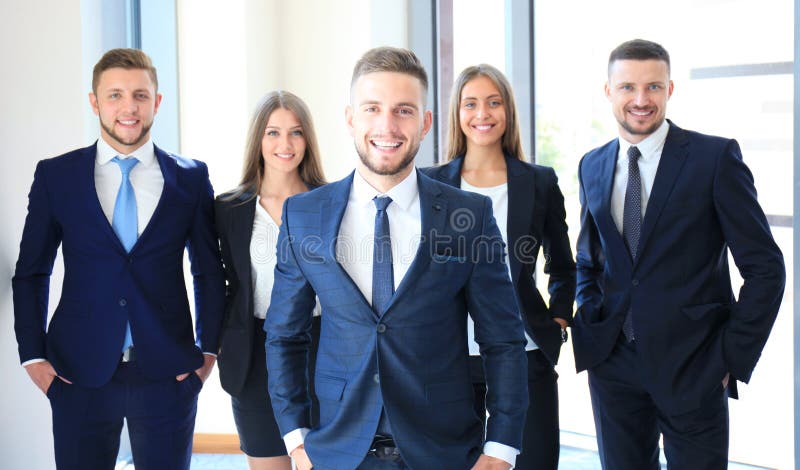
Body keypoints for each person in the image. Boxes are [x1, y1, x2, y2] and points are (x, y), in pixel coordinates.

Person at [264, 46, 529, 470]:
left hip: (443, 452)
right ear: (351, 118)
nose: (387, 126)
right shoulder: (304, 215)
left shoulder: (470, 217)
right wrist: (296, 438)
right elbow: (284, 335)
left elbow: (503, 339)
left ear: (424, 123)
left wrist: (500, 448)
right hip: (337, 452)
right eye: (372, 108)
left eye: (404, 111)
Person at [573, 38, 785, 469]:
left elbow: (766, 268)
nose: (641, 99)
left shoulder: (714, 158)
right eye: (628, 87)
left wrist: (730, 358)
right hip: (613, 366)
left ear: (670, 90)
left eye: (653, 87)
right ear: (608, 91)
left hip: (695, 367)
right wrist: (591, 317)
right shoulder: (591, 164)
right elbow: (589, 259)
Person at [12, 48, 225, 470]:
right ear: (94, 101)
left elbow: (208, 272)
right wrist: (34, 358)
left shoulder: (190, 177)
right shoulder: (57, 176)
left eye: (140, 96)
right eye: (114, 95)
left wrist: (206, 356)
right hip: (77, 375)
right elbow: (32, 271)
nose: (128, 108)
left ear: (157, 102)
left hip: (168, 376)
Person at [423, 63, 575, 469]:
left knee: (536, 460)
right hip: (451, 355)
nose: (482, 114)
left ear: (507, 111)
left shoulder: (539, 182)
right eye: (470, 104)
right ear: (457, 113)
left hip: (525, 352)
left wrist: (558, 321)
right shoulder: (430, 184)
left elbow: (562, 266)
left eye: (493, 103)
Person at [215, 90, 326, 470]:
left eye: (295, 132)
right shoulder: (229, 209)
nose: (285, 144)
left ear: (307, 139)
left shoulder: (332, 202)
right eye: (273, 132)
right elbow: (222, 286)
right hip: (254, 356)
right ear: (258, 140)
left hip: (321, 349)